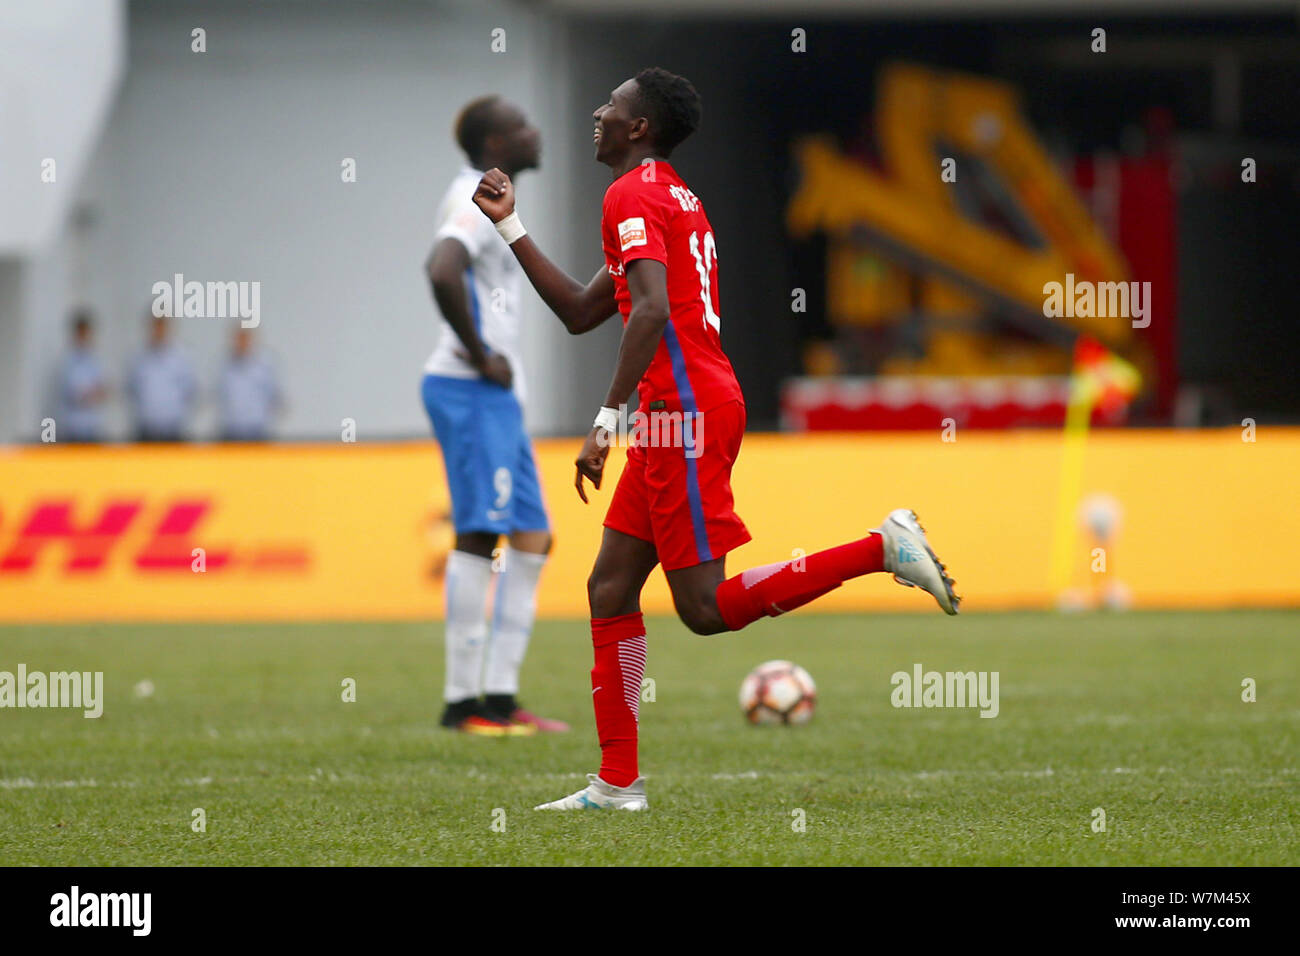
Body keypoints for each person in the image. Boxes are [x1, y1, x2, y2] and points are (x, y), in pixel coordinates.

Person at [470, 68, 960, 810]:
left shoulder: (631, 194)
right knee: (609, 587)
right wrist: (510, 224)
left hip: (684, 412)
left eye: (614, 105)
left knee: (702, 608)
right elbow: (579, 310)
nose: (598, 111)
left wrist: (606, 422)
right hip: (681, 408)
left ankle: (880, 548)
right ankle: (617, 784)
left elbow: (652, 313)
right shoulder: (674, 198)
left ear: (639, 128)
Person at [421, 95, 568, 737]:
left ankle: (502, 699)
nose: (536, 132)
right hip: (469, 389)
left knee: (533, 536)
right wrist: (481, 357)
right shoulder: (471, 200)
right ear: (496, 144)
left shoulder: (491, 197)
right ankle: (463, 705)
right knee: (482, 533)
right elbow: (441, 268)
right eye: (522, 125)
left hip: (497, 398)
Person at [127, 313, 197, 442]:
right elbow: (132, 390)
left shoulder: (180, 358)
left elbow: (190, 391)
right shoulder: (139, 358)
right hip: (146, 431)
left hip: (174, 431)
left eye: (162, 326)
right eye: (156, 326)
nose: (159, 331)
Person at [218, 327, 282, 441]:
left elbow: (274, 396)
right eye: (239, 339)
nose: (242, 343)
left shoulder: (264, 367)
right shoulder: (224, 366)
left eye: (245, 338)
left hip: (257, 430)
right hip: (231, 431)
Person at [56, 311, 109, 443]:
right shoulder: (66, 362)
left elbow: (104, 391)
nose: (84, 337)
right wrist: (90, 394)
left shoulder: (96, 361)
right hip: (72, 428)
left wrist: (92, 394)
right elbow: (74, 394)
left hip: (92, 427)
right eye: (81, 333)